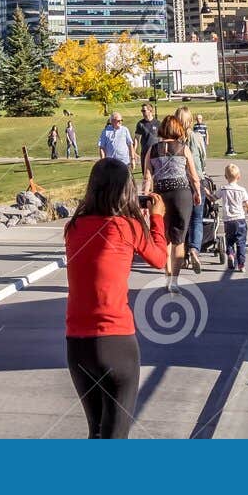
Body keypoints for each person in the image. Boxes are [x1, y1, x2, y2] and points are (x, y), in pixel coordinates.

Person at [63, 159, 168, 439]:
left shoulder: (73, 227)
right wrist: (156, 218)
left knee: (96, 431)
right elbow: (159, 259)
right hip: (116, 340)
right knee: (115, 435)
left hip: (77, 343)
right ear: (127, 191)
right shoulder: (128, 226)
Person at [143, 114, 201, 287]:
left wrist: (145, 198)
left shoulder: (152, 149)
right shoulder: (183, 148)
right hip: (181, 194)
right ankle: (174, 280)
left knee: (164, 235)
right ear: (177, 129)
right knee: (179, 239)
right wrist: (197, 192)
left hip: (160, 194)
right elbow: (193, 175)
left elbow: (147, 177)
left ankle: (167, 273)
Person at [174, 105, 207, 272]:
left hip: (180, 184)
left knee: (182, 220)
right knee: (197, 218)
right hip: (197, 181)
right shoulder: (197, 137)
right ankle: (195, 249)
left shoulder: (173, 142)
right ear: (191, 121)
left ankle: (184, 253)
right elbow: (203, 157)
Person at [218, 163, 248, 272]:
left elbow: (213, 198)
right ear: (239, 176)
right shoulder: (242, 190)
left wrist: (207, 193)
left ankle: (230, 254)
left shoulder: (223, 189)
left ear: (225, 177)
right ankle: (241, 264)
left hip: (228, 220)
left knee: (229, 240)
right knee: (241, 242)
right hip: (240, 219)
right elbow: (247, 203)